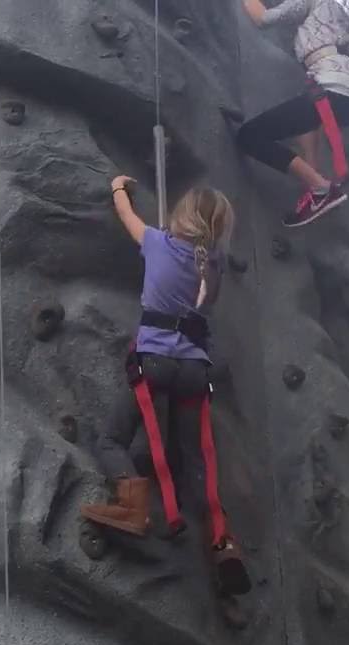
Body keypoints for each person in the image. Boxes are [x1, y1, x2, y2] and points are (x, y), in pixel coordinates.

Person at [80, 177, 250, 594]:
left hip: (154, 363)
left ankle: (132, 504)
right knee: (194, 459)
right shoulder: (214, 266)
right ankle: (223, 541)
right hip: (194, 369)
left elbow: (126, 215)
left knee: (111, 440)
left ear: (183, 215)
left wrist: (118, 187)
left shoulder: (157, 244)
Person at [236, 0, 349, 227]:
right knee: (306, 114)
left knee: (250, 136)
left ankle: (321, 189)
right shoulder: (336, 10)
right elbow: (309, 122)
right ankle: (316, 185)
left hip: (334, 86)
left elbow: (263, 18)